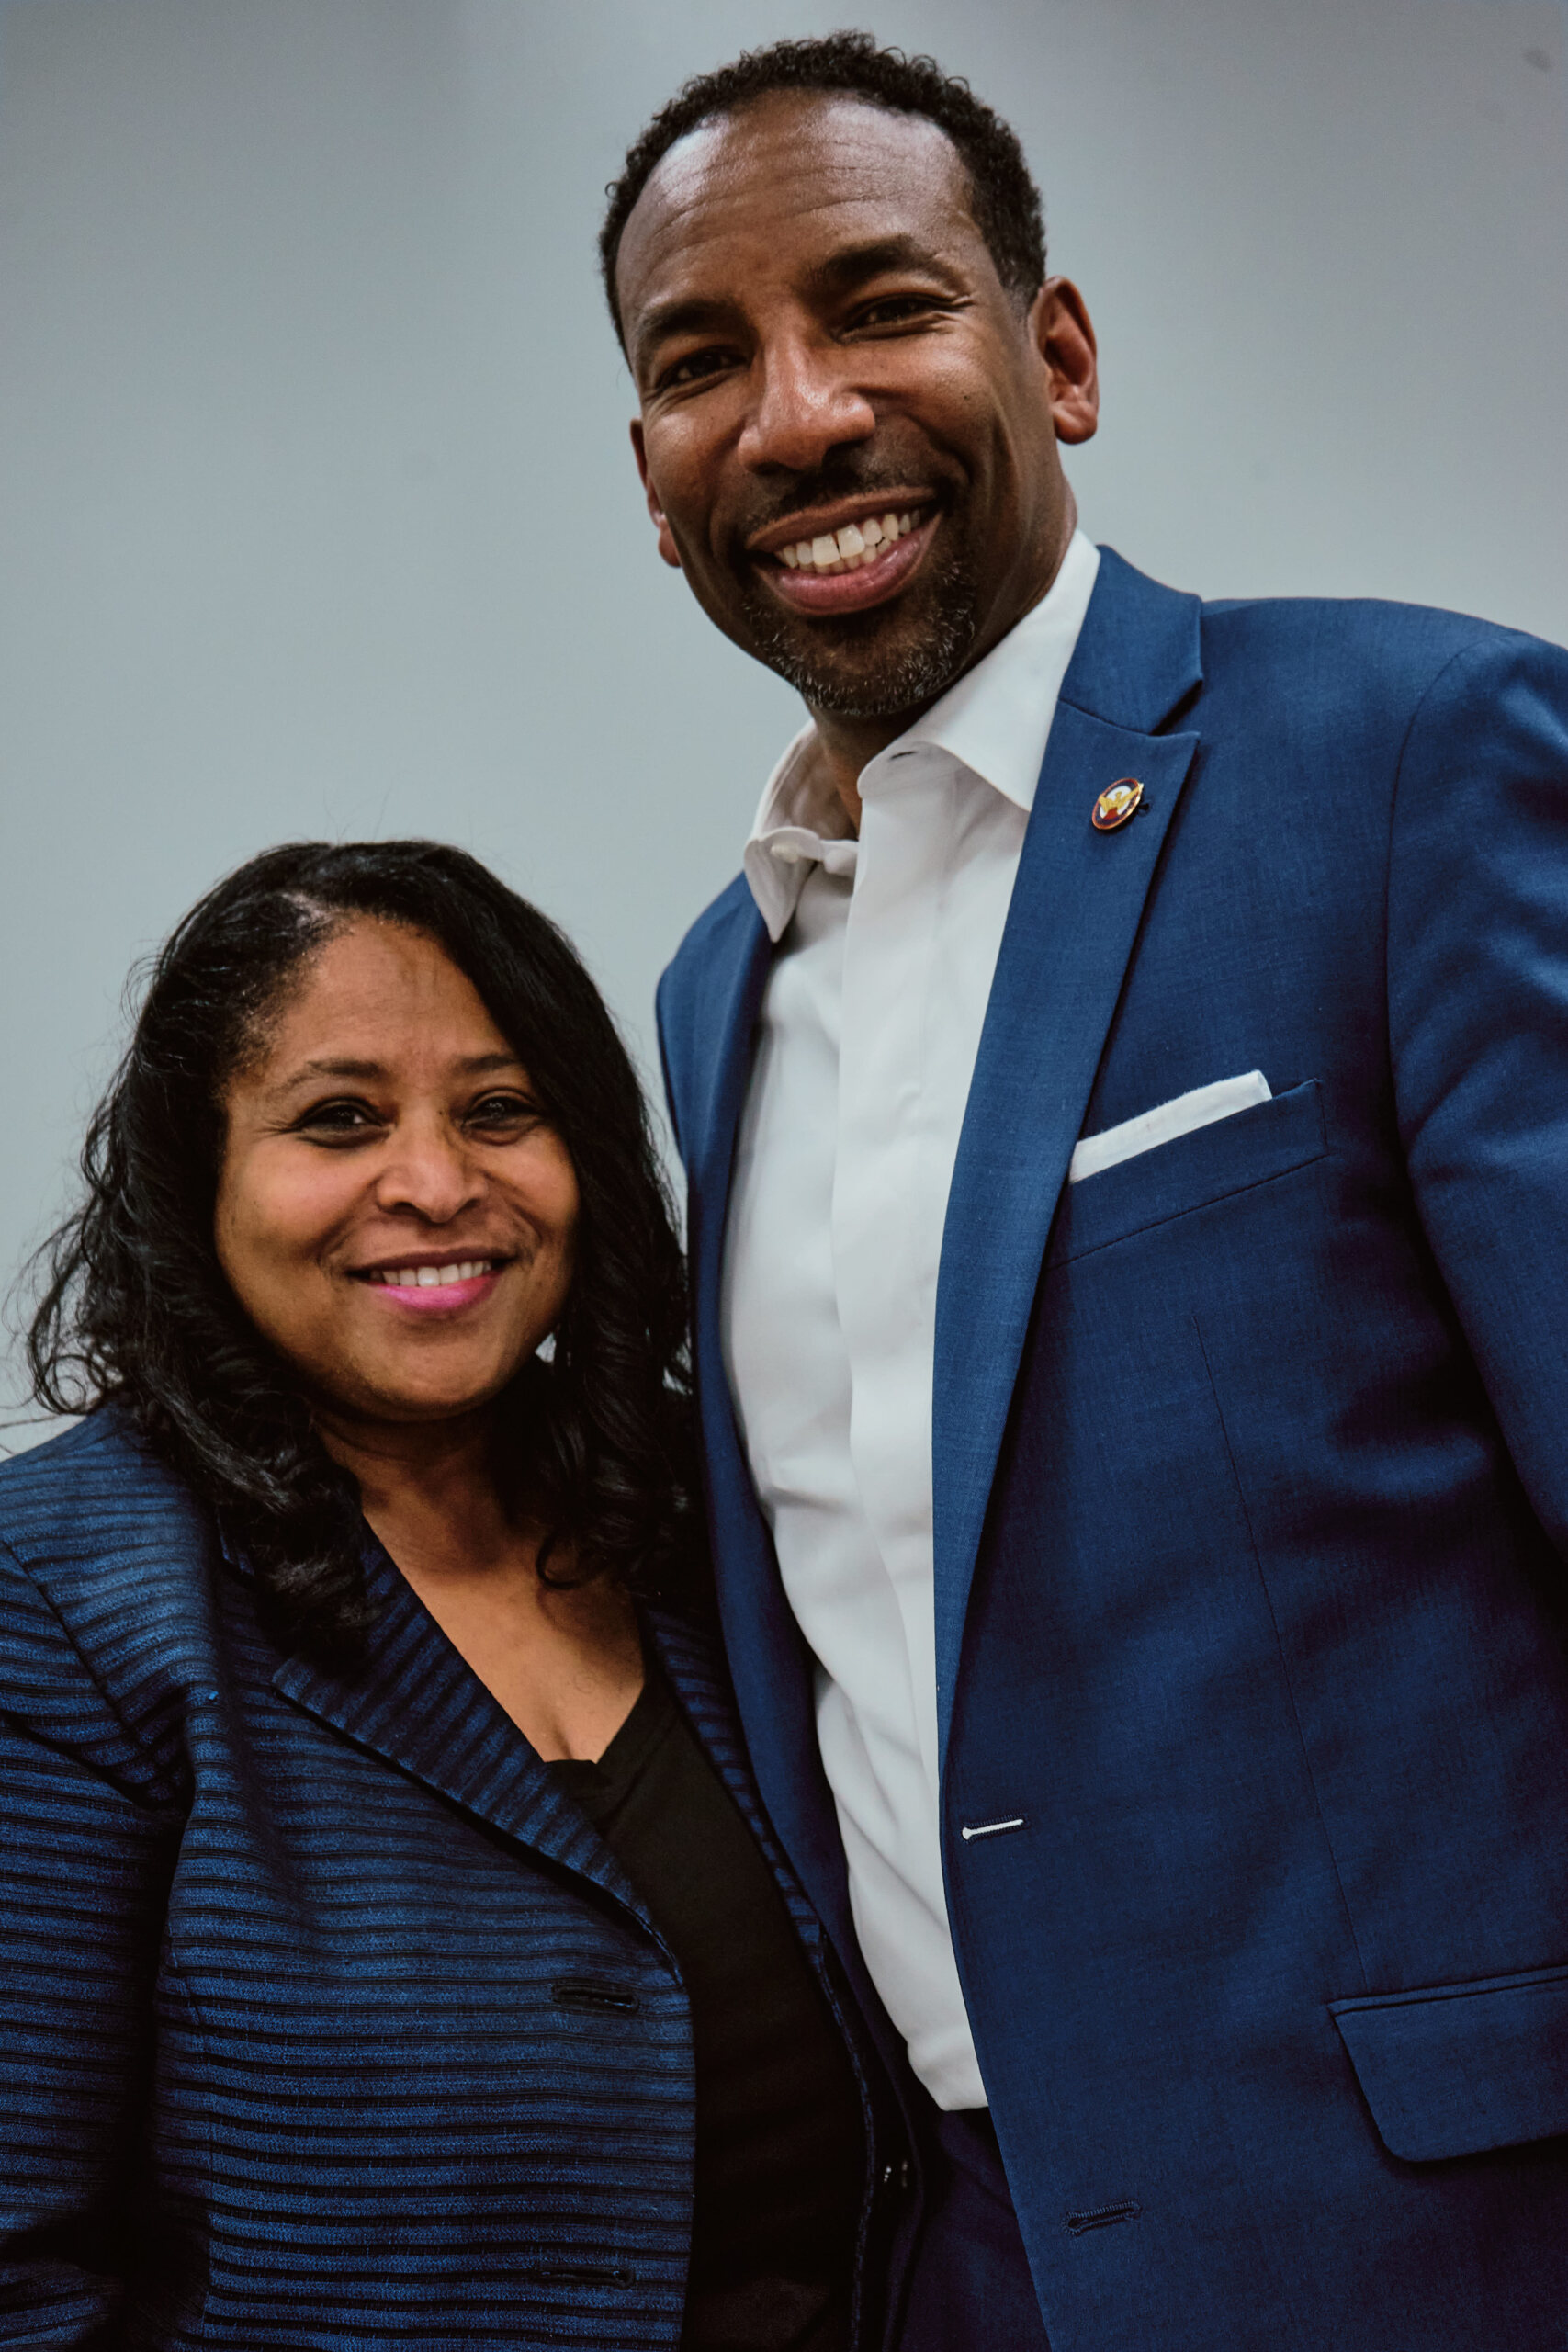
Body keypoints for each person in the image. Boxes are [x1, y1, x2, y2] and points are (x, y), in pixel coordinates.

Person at [600, 31, 1568, 2351]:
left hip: (1446, 2242)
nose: (799, 416)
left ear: (1056, 351)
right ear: (647, 479)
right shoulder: (710, 994)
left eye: (881, 306)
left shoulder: (1412, 760)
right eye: (697, 361)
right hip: (963, 2264)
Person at [0, 840, 898, 2352]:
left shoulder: (711, 1527)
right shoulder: (62, 1596)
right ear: (197, 1170)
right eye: (338, 1120)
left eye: (500, 1112)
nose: (435, 1184)